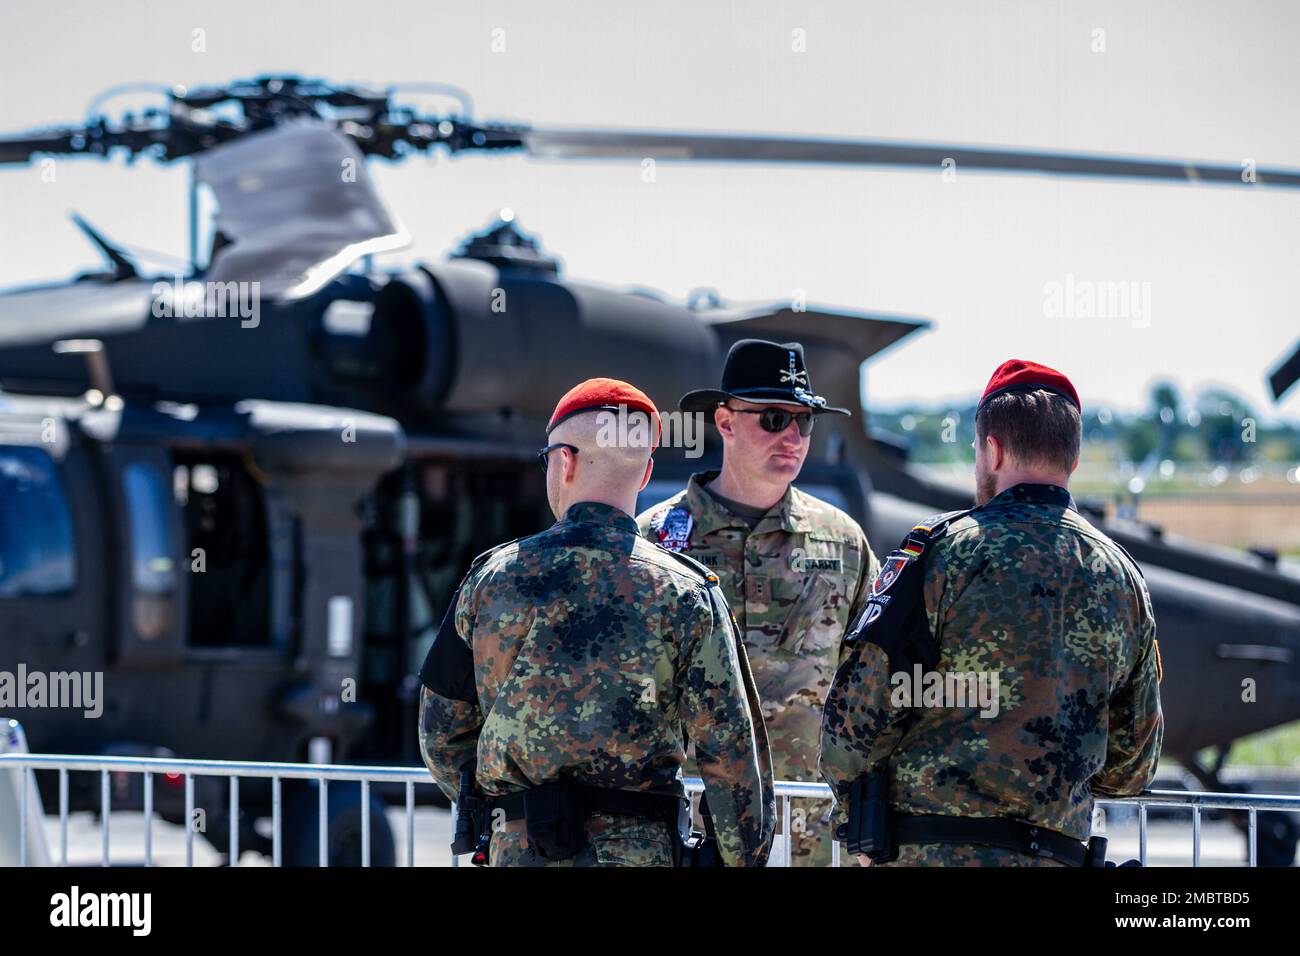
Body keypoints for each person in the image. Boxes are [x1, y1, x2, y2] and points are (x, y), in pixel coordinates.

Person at [820, 359, 1163, 867]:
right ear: (1072, 458)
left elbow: (850, 731)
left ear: (993, 449)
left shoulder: (937, 555)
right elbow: (1131, 769)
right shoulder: (1123, 579)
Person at [418, 377, 774, 867]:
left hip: (518, 851)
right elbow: (732, 758)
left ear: (564, 461)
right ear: (646, 473)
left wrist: (497, 813)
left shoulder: (490, 580)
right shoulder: (689, 594)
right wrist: (734, 857)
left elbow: (441, 732)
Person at [637, 339, 879, 866]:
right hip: (685, 833)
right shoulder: (653, 542)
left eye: (805, 421)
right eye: (773, 418)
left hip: (809, 837)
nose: (793, 436)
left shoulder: (842, 542)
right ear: (725, 421)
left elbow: (876, 686)